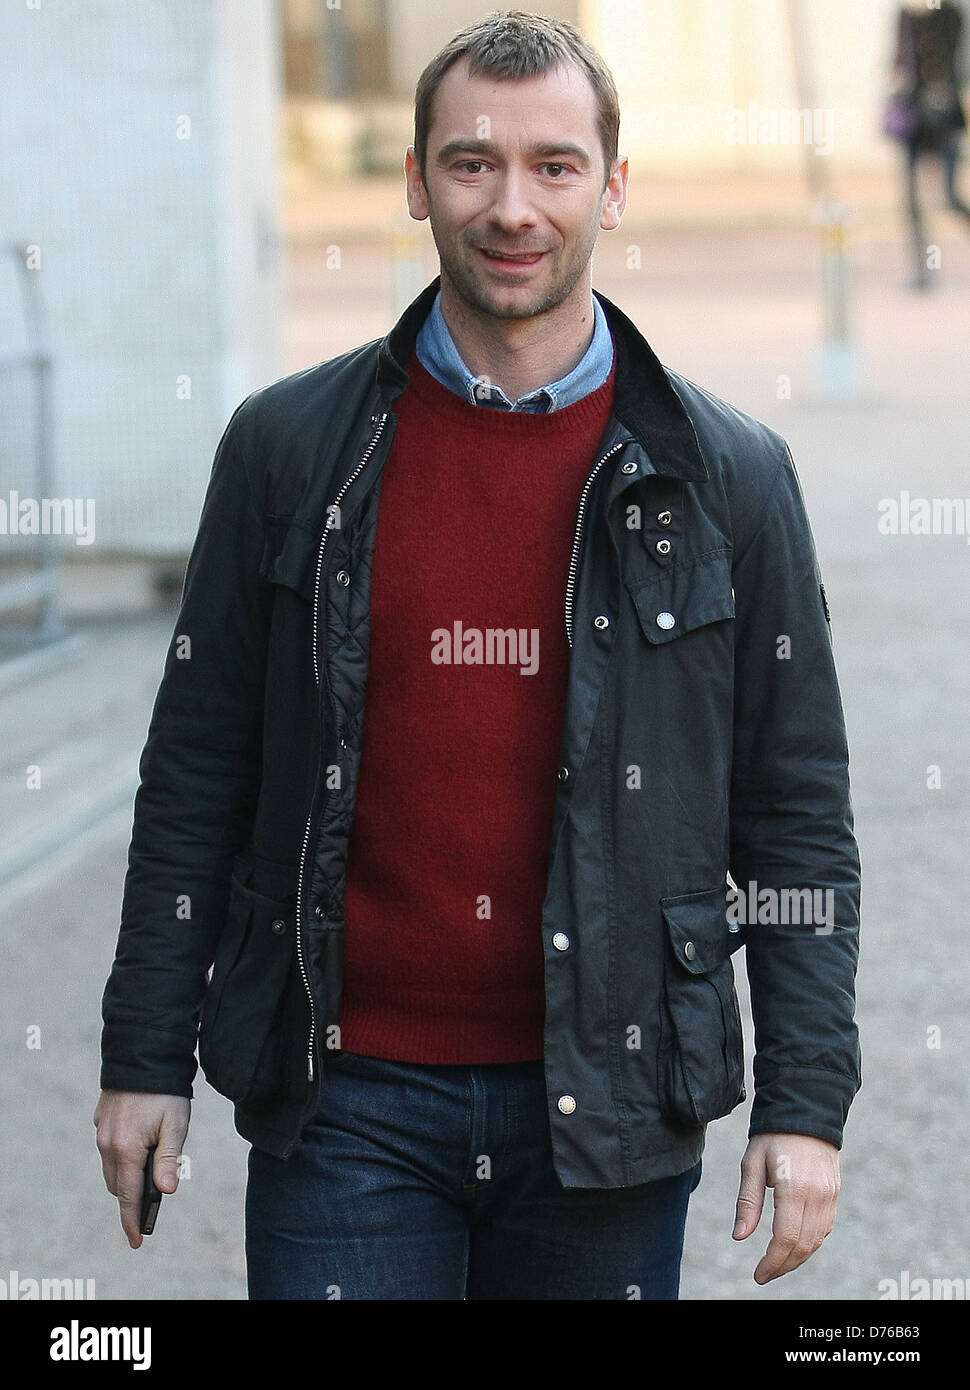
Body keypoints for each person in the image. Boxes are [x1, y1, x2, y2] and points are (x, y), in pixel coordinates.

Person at [94, 9, 861, 1301]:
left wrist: (805, 1101)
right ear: (413, 182)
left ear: (611, 189)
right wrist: (142, 1052)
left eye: (554, 166)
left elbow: (793, 819)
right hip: (346, 1094)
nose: (513, 206)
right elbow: (197, 769)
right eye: (471, 163)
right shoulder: (289, 448)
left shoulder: (727, 475)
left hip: (608, 1100)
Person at [888, 0, 970, 288]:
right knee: (911, 200)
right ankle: (922, 271)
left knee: (950, 196)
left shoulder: (951, 13)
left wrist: (943, 87)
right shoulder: (904, 15)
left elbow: (958, 62)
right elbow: (897, 60)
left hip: (944, 117)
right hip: (913, 119)